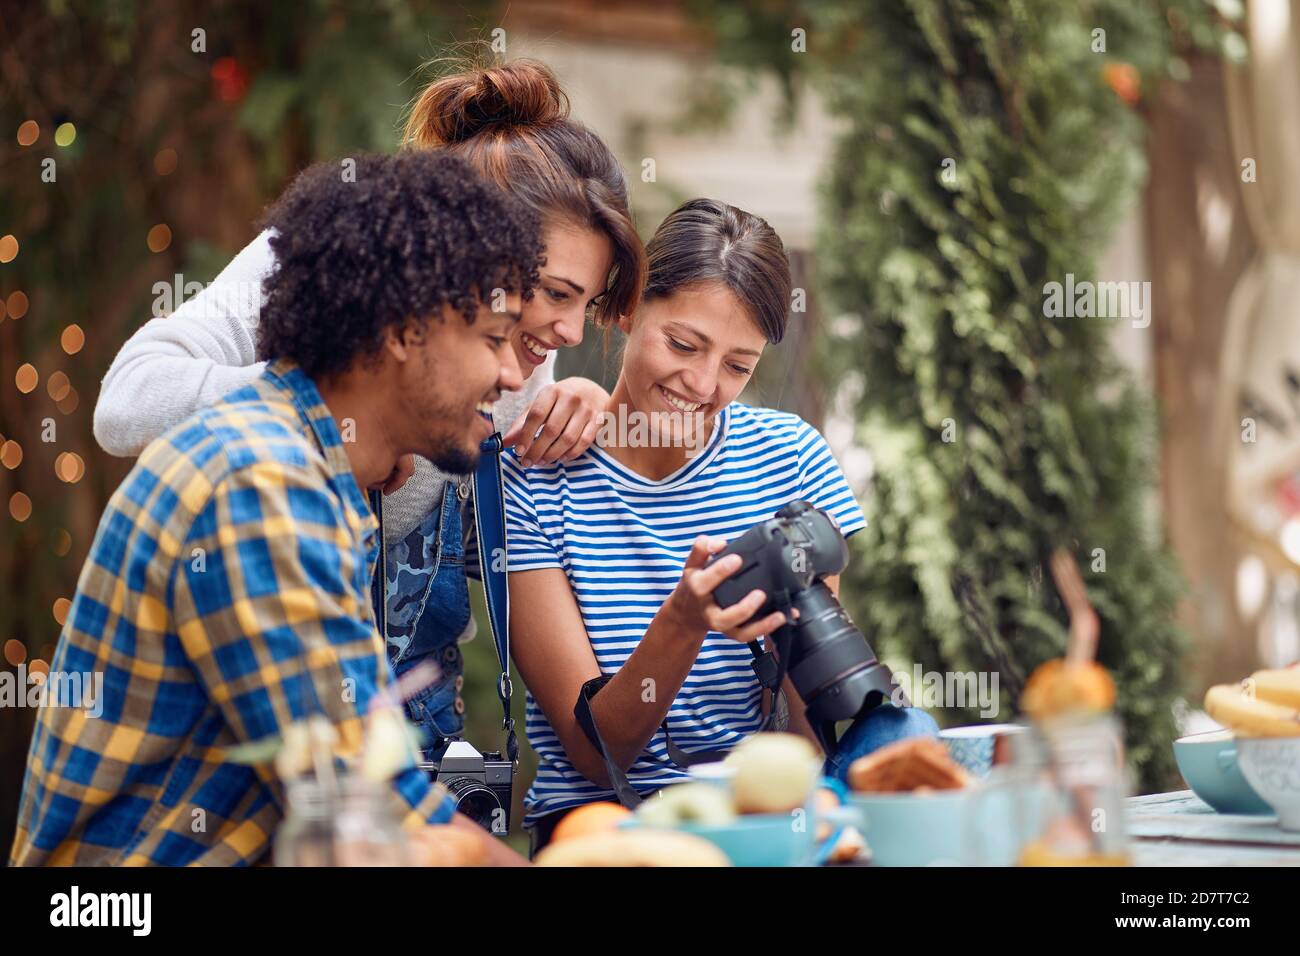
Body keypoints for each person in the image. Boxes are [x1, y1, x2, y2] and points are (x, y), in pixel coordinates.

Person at [90, 59, 646, 751]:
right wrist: (337, 411)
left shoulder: (530, 362)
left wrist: (574, 425)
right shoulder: (323, 265)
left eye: (587, 304)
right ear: (468, 247)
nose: (567, 333)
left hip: (416, 720)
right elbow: (125, 402)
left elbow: (507, 553)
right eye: (557, 294)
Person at [11, 151, 537, 866]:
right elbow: (372, 812)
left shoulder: (306, 472)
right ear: (404, 332)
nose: (512, 376)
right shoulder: (262, 486)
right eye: (495, 340)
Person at [503, 199, 939, 853]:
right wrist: (685, 619)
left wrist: (800, 826)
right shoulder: (535, 475)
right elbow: (598, 756)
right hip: (605, 829)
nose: (703, 384)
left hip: (753, 820)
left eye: (738, 366)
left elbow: (806, 713)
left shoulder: (788, 456)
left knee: (910, 741)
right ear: (627, 310)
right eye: (682, 344)